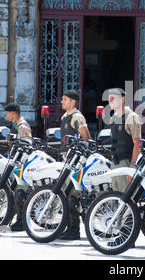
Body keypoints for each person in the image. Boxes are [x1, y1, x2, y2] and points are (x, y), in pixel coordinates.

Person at [59, 89, 91, 240]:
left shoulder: (76, 117)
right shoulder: (65, 116)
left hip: (74, 163)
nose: (61, 101)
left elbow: (86, 138)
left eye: (64, 99)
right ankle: (68, 228)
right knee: (65, 195)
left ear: (72, 101)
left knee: (72, 197)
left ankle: (74, 230)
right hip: (66, 160)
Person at [3, 103, 32, 231]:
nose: (6, 116)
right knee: (15, 191)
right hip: (16, 163)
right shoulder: (16, 125)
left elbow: (27, 145)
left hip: (21, 164)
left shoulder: (22, 126)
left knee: (20, 193)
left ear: (13, 113)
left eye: (7, 113)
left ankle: (21, 222)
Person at [108, 88, 142, 193]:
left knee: (126, 196)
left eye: (113, 98)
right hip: (114, 163)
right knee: (115, 194)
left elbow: (138, 143)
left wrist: (132, 166)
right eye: (109, 98)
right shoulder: (113, 118)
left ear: (122, 99)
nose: (110, 101)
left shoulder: (131, 117)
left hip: (126, 163)